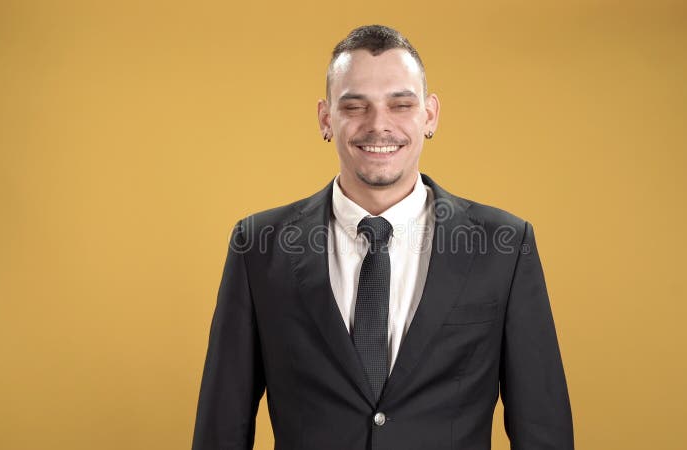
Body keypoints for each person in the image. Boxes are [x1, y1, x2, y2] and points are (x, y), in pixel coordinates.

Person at [191, 24, 573, 450]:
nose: (379, 125)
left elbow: (543, 430)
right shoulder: (258, 246)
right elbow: (221, 429)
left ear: (429, 115)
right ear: (325, 118)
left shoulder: (504, 245)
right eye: (355, 106)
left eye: (401, 104)